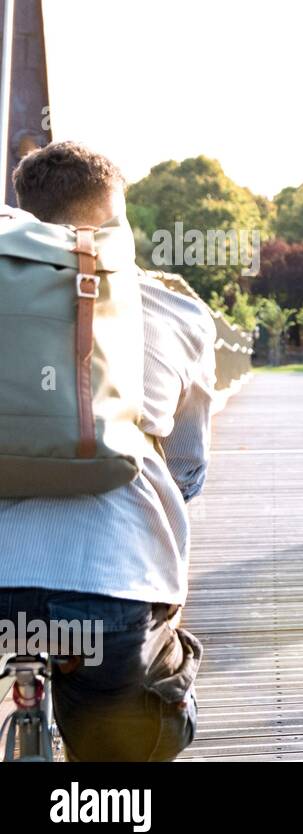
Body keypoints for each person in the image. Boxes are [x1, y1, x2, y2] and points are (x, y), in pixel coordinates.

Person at [0, 141, 215, 760]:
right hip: (107, 586)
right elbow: (189, 465)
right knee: (117, 741)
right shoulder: (176, 310)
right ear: (118, 222)